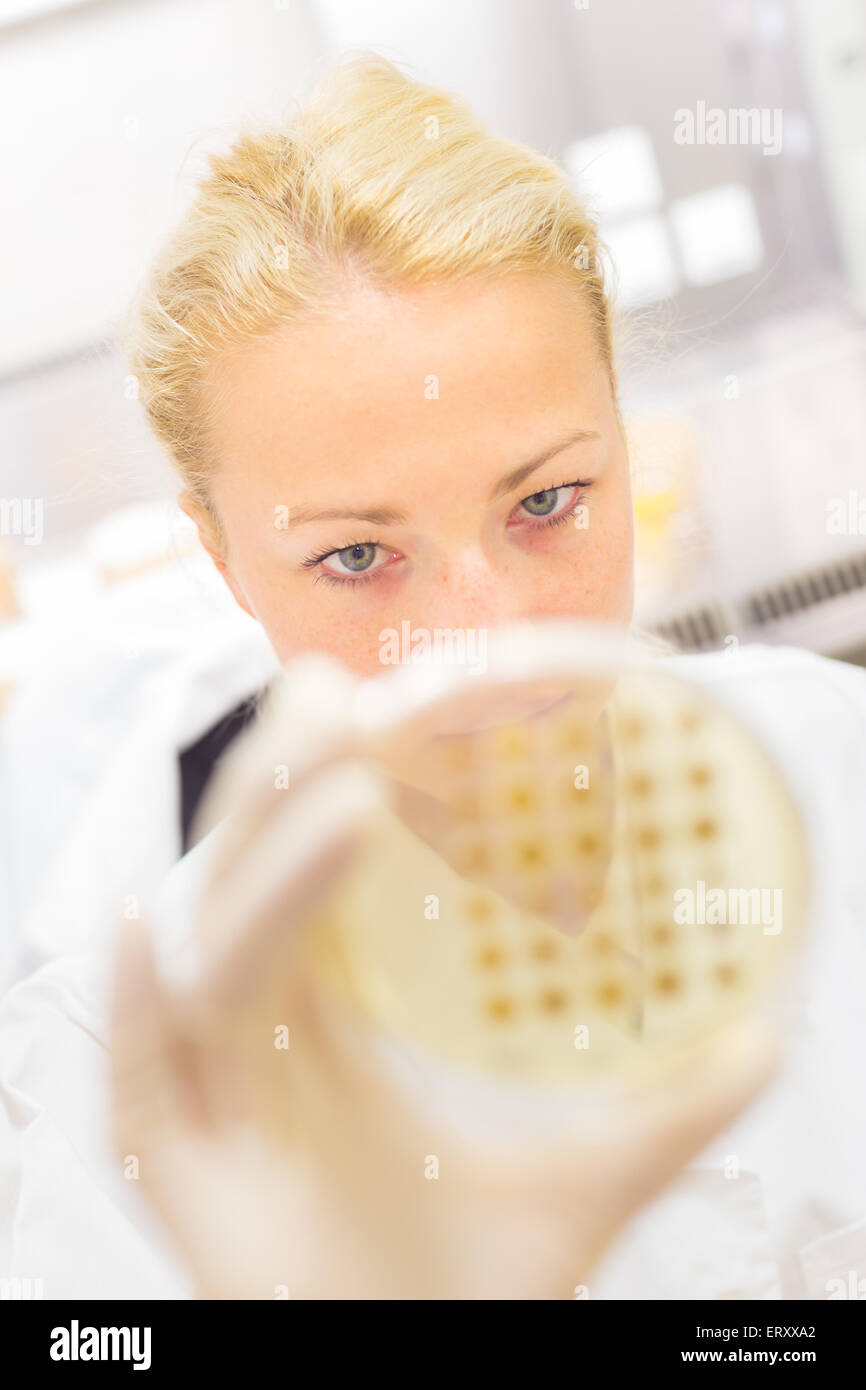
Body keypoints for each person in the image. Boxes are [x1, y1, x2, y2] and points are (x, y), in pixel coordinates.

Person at [2, 52, 865, 1300]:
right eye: (356, 555)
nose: (489, 638)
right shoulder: (118, 1092)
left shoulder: (844, 769)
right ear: (226, 561)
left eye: (547, 501)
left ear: (624, 435)